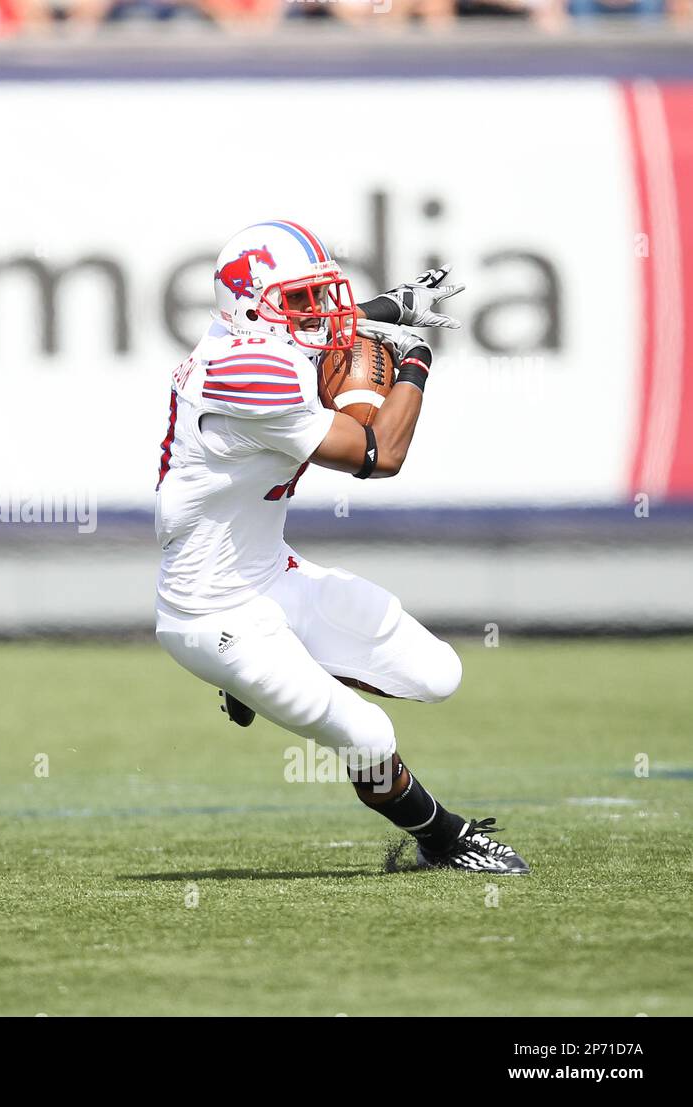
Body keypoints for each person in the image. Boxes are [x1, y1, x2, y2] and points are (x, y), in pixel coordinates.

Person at [154, 221, 529, 875]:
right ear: (252, 305)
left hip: (271, 572)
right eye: (301, 298)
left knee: (438, 673)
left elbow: (330, 332)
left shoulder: (253, 339)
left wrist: (395, 304)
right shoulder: (245, 370)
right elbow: (379, 455)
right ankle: (446, 839)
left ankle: (261, 682)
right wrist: (414, 360)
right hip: (212, 613)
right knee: (370, 736)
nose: (321, 311)